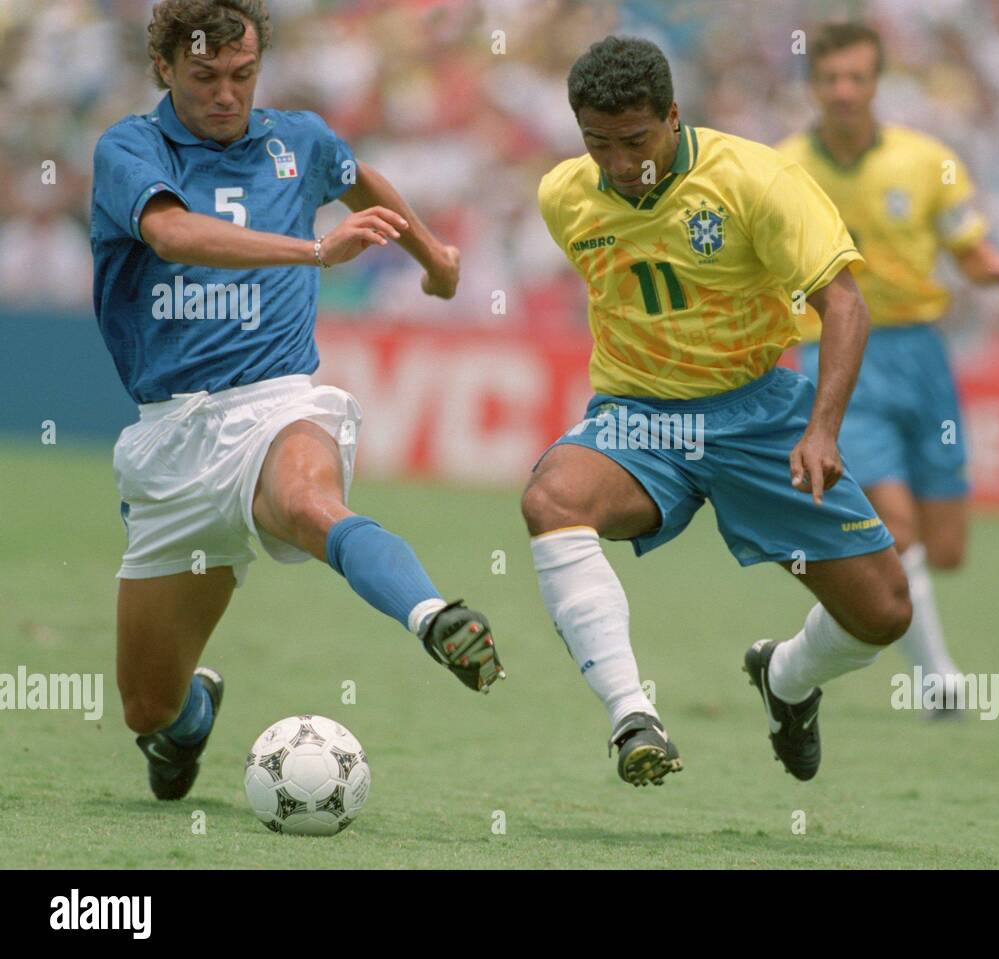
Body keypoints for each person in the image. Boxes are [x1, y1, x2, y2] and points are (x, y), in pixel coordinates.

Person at [90, 0, 503, 801]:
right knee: (148, 704)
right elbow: (175, 236)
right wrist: (316, 251)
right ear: (166, 69)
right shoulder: (128, 149)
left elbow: (359, 179)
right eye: (204, 76)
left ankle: (434, 617)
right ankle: (191, 720)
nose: (225, 93)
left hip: (274, 403)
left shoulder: (297, 141)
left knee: (310, 499)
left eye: (242, 75)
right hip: (169, 441)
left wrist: (434, 255)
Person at [523, 36, 912, 787]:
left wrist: (822, 428)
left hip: (759, 415)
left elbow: (844, 304)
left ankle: (787, 677)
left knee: (884, 612)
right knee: (551, 499)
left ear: (673, 116)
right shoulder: (562, 196)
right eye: (597, 143)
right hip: (640, 418)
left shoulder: (756, 180)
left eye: (635, 140)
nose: (619, 161)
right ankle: (632, 714)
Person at [777, 23, 999, 713]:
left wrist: (996, 268)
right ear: (813, 86)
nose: (844, 91)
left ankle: (796, 656)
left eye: (858, 77)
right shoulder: (783, 167)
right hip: (838, 355)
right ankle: (936, 679)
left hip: (921, 354)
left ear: (876, 82)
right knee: (897, 526)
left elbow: (967, 247)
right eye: (831, 79)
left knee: (945, 547)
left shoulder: (928, 162)